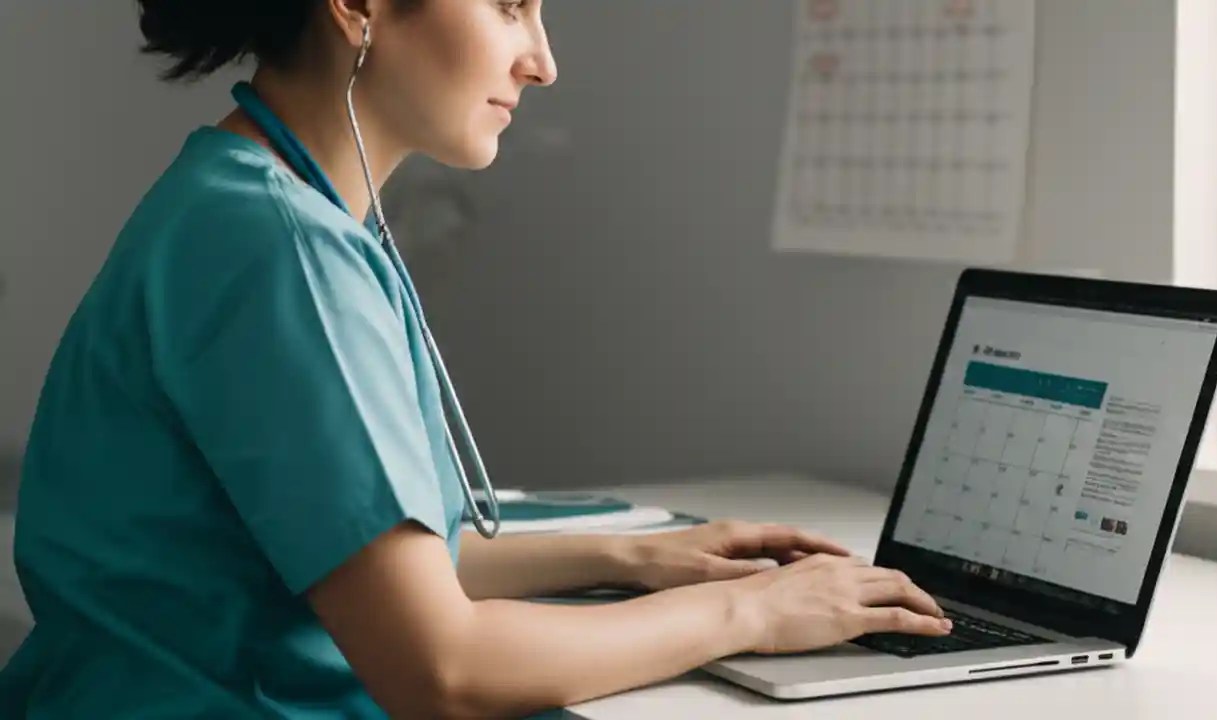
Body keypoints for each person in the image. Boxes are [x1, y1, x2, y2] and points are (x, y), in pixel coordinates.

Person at [0, 1, 953, 717]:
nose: (541, 60)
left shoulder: (257, 199)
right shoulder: (276, 246)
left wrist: (641, 555)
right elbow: (439, 670)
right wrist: (759, 613)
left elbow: (363, 569)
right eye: (508, 3)